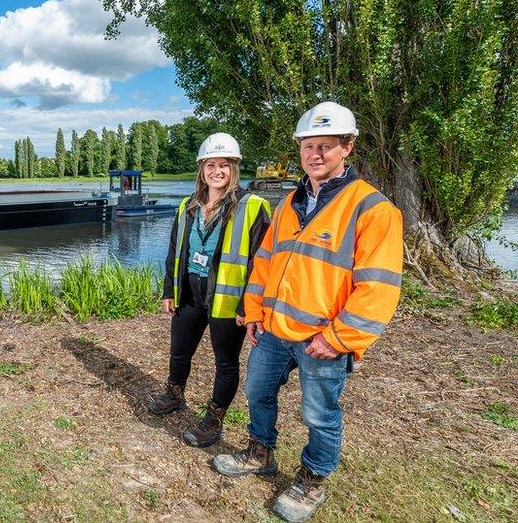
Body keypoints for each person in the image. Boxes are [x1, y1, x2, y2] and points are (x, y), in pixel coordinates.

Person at [211, 102, 404, 523]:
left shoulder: (373, 210)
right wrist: (254, 313)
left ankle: (312, 478)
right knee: (257, 392)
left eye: (325, 146)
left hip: (323, 340)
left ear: (348, 147)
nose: (314, 155)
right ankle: (259, 452)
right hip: (275, 330)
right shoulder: (290, 203)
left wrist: (338, 339)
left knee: (319, 413)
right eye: (307, 146)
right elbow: (264, 262)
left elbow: (378, 289)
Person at [148, 132, 271, 449]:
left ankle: (214, 419)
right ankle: (174, 394)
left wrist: (250, 306)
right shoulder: (187, 207)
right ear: (201, 169)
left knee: (225, 363)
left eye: (224, 165)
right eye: (211, 165)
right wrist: (169, 290)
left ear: (234, 168)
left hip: (228, 302)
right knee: (179, 350)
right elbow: (175, 251)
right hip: (189, 294)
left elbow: (263, 262)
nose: (217, 171)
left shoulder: (253, 207)